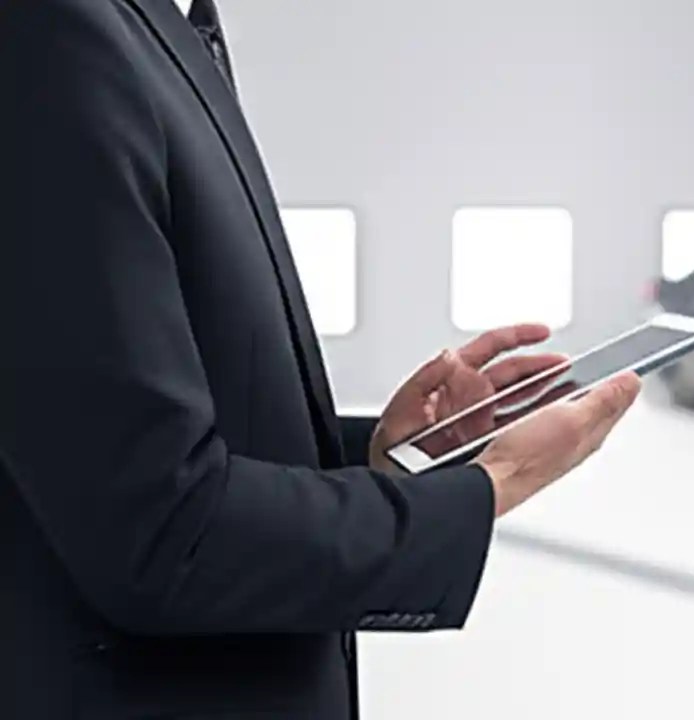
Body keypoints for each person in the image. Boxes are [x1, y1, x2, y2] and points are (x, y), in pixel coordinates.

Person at [0, 0, 641, 718]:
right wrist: (493, 484)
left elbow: (126, 431)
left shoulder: (154, 26)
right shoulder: (53, 33)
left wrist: (380, 455)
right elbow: (161, 533)